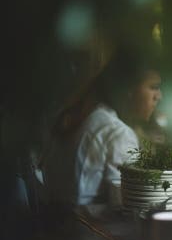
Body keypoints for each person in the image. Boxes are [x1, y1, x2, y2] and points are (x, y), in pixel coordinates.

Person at [42, 49, 162, 206]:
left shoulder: (83, 116)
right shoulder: (117, 132)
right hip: (83, 228)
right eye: (153, 87)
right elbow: (129, 204)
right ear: (128, 88)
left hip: (56, 223)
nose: (159, 96)